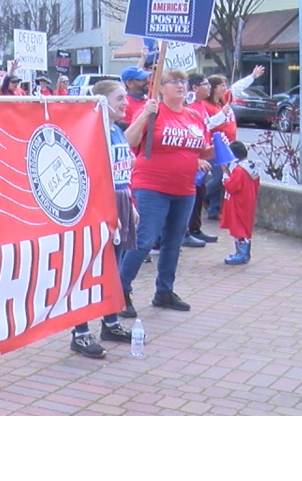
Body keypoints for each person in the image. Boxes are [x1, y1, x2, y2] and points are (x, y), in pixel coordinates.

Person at [116, 69, 214, 318]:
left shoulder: (193, 115)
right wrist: (144, 116)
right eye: (174, 82)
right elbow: (129, 140)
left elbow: (201, 150)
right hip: (152, 186)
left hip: (185, 188)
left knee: (173, 242)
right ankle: (120, 291)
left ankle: (164, 291)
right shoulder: (153, 111)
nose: (180, 86)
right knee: (144, 240)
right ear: (160, 87)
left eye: (183, 81)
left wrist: (216, 151)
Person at [67, 80, 136, 359]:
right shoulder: (91, 133)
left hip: (119, 201)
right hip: (100, 206)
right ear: (101, 101)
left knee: (113, 270)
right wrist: (106, 211)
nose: (125, 103)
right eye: (119, 98)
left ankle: (110, 322)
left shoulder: (117, 132)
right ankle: (80, 333)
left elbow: (123, 173)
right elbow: (92, 176)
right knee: (90, 271)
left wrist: (129, 205)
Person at [203, 66, 265, 220]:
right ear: (213, 89)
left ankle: (213, 209)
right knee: (219, 178)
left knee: (225, 177)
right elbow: (207, 124)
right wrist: (221, 114)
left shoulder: (224, 100)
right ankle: (203, 196)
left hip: (228, 145)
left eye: (225, 85)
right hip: (215, 146)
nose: (225, 88)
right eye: (221, 85)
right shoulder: (206, 106)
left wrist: (252, 76)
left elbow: (237, 87)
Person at [181, 73, 215, 248]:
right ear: (194, 88)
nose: (209, 87)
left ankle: (194, 228)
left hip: (202, 157)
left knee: (199, 194)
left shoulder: (202, 106)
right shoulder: (191, 108)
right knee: (190, 196)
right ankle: (185, 231)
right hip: (192, 160)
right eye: (205, 84)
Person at [220, 141, 261, 265]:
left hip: (238, 202)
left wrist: (225, 175)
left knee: (238, 227)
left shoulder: (239, 170)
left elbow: (231, 186)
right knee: (245, 225)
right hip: (248, 200)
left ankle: (241, 253)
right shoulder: (251, 167)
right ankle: (244, 253)